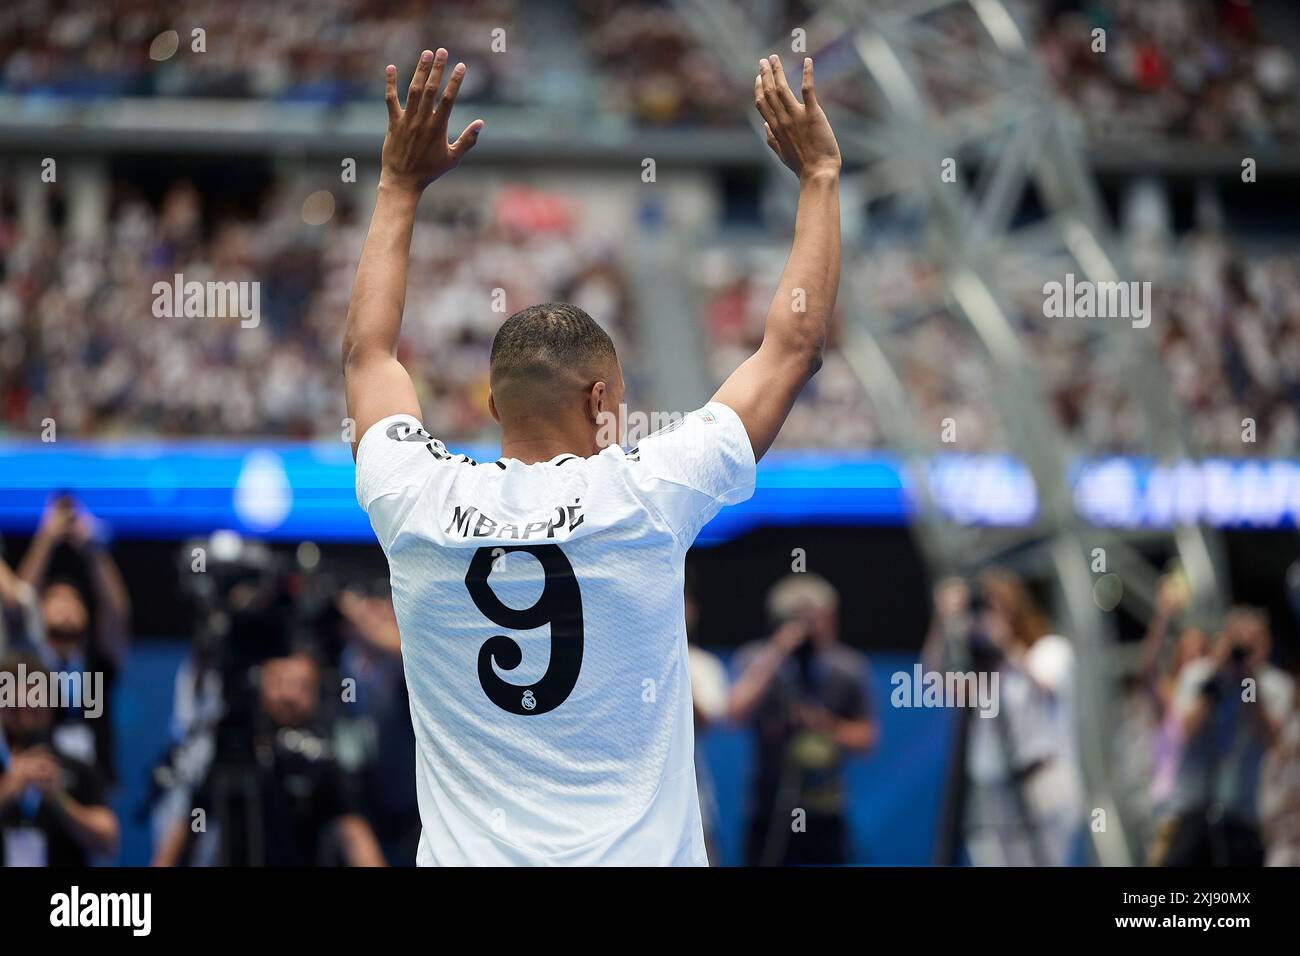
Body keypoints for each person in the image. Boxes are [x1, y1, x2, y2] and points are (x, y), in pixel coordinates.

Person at [342, 47, 841, 864]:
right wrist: (818, 175)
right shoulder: (645, 491)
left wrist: (397, 187)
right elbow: (794, 346)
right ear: (602, 401)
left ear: (495, 405)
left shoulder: (415, 499)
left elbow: (367, 357)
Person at [152, 650, 385, 867]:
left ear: (316, 694)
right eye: (279, 683)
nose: (289, 696)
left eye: (301, 686)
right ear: (261, 685)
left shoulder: (322, 759)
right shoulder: (233, 753)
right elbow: (193, 823)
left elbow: (353, 834)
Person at [926, 570, 1084, 867]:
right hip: (992, 788)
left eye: (996, 608)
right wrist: (943, 622)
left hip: (1041, 782)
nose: (987, 618)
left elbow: (1043, 684)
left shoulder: (1050, 650)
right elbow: (935, 685)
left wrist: (1005, 645)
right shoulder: (984, 670)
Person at [728, 574, 877, 866]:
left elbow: (867, 739)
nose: (815, 629)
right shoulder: (758, 662)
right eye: (804, 621)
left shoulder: (849, 669)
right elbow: (734, 712)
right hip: (768, 810)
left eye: (822, 619)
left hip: (825, 810)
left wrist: (827, 726)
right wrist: (778, 650)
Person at [1158, 606, 1294, 866]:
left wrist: (1248, 683)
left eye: (1253, 643)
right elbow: (1183, 732)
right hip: (1193, 811)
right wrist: (1217, 680)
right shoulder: (1199, 676)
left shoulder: (1276, 685)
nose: (1246, 651)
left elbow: (1271, 739)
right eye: (1239, 644)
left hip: (1244, 816)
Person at [18, 495, 131, 784]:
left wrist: (93, 549)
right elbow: (20, 601)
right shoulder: (26, 662)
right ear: (39, 611)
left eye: (74, 600)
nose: (67, 606)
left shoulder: (97, 662)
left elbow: (117, 612)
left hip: (93, 784)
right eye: (56, 599)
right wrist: (47, 537)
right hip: (35, 781)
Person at [0, 653, 119, 866]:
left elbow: (108, 840)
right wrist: (10, 787)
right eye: (15, 709)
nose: (26, 721)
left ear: (50, 708)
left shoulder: (78, 768)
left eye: (34, 710)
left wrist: (59, 801)